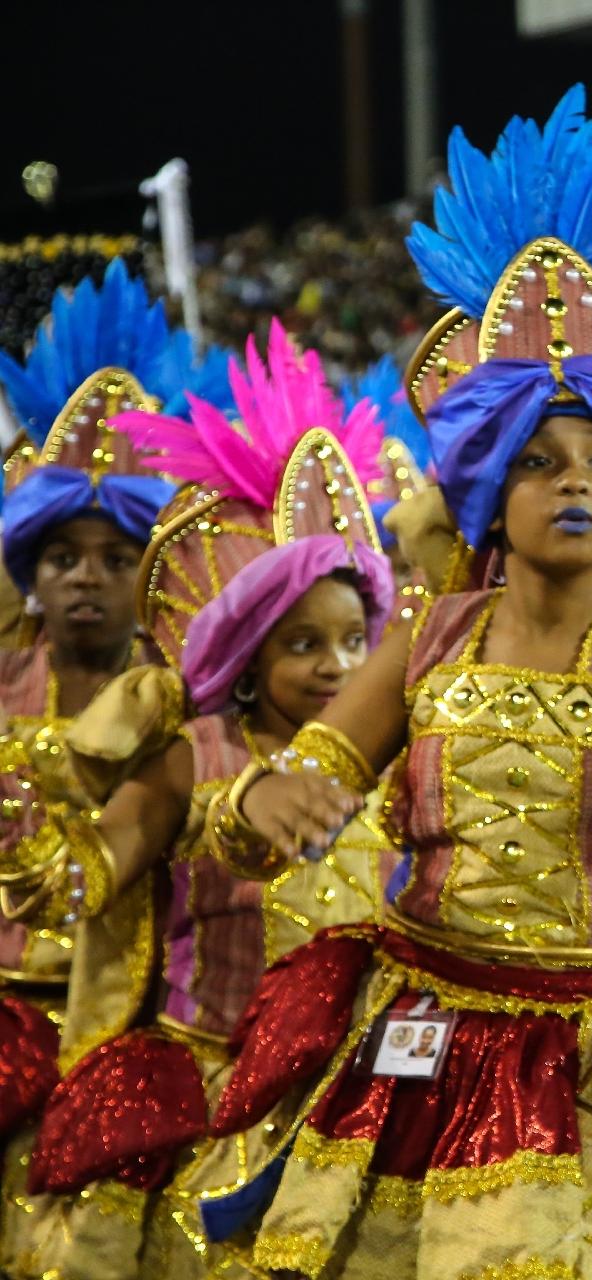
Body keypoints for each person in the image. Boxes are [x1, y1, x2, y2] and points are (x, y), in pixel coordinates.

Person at [197, 87, 592, 1278]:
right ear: (485, 488)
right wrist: (260, 800)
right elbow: (276, 808)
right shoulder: (428, 639)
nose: (572, 482)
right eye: (537, 461)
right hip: (421, 1040)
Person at [2, 323, 396, 1279]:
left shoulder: (394, 763)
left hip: (358, 1092)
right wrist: (30, 823)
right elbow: (84, 877)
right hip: (207, 1095)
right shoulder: (192, 753)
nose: (335, 667)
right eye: (302, 643)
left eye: (354, 642)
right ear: (249, 657)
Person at [0, 260, 224, 1262]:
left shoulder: (183, 701)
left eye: (115, 558)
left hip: (130, 1028)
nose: (86, 578)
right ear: (30, 573)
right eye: (62, 558)